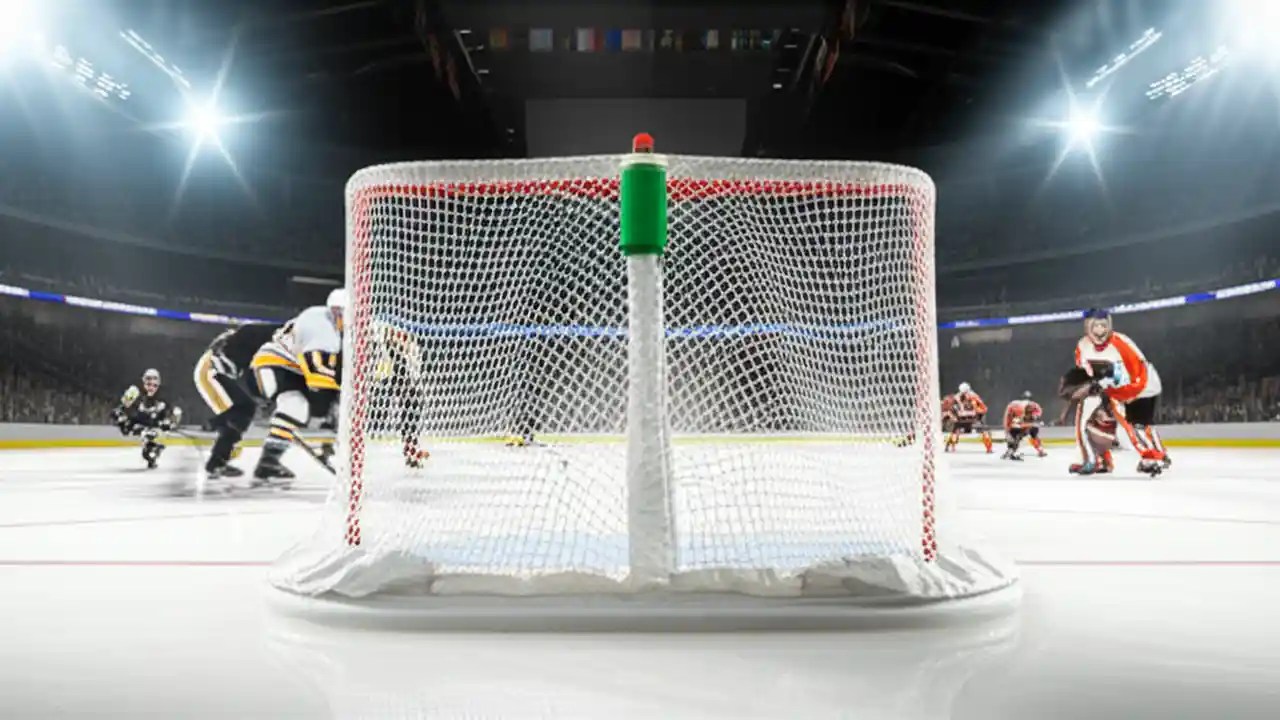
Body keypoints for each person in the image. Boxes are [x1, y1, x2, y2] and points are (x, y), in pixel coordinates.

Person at [247, 289, 345, 483]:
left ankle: (269, 461)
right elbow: (318, 375)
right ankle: (269, 459)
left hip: (284, 368)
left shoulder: (319, 318)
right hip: (274, 366)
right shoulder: (322, 327)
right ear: (337, 311)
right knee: (295, 407)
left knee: (298, 408)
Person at [1073, 309, 1168, 474]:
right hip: (1115, 391)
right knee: (1088, 421)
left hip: (1143, 388)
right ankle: (1095, 459)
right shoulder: (1083, 346)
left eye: (1103, 326)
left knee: (1137, 425)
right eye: (1096, 327)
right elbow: (1084, 370)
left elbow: (1139, 376)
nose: (1100, 331)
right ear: (1087, 327)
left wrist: (1119, 394)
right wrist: (1093, 385)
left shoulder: (1121, 344)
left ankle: (1154, 455)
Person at [193, 321, 281, 480]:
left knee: (245, 409)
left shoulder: (257, 339)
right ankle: (214, 429)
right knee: (238, 415)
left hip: (213, 371)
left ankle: (217, 459)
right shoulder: (263, 341)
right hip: (210, 372)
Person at [368, 320, 430, 468]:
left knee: (413, 414)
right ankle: (410, 449)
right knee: (410, 413)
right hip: (397, 382)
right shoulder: (390, 349)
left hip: (404, 381)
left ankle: (411, 449)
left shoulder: (408, 350)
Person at [110, 368, 182, 469]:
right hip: (137, 422)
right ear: (143, 382)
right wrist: (120, 414)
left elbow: (175, 412)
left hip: (156, 424)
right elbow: (123, 406)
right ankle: (152, 447)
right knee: (126, 427)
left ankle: (154, 450)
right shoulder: (134, 392)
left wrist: (169, 422)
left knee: (152, 441)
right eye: (148, 383)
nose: (151, 386)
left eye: (154, 384)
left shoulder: (165, 396)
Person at [1058, 367, 1117, 475]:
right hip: (1098, 399)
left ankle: (1091, 462)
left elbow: (1070, 395)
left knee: (1082, 431)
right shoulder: (1094, 381)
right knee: (1093, 432)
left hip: (1090, 398)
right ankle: (1105, 462)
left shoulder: (1079, 383)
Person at [944, 382, 993, 453]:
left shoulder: (974, 397)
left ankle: (989, 448)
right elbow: (950, 410)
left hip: (973, 419)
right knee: (955, 431)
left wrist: (977, 412)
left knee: (984, 431)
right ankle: (951, 447)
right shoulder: (956, 398)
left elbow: (984, 409)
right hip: (961, 420)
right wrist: (954, 417)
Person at [1002, 391, 1046, 460]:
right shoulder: (1015, 407)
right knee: (1016, 434)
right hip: (1017, 424)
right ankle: (1012, 449)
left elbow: (1036, 415)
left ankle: (1012, 449)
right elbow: (1008, 420)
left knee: (1032, 431)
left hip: (1020, 423)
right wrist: (1007, 431)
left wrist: (1033, 420)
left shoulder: (1034, 407)